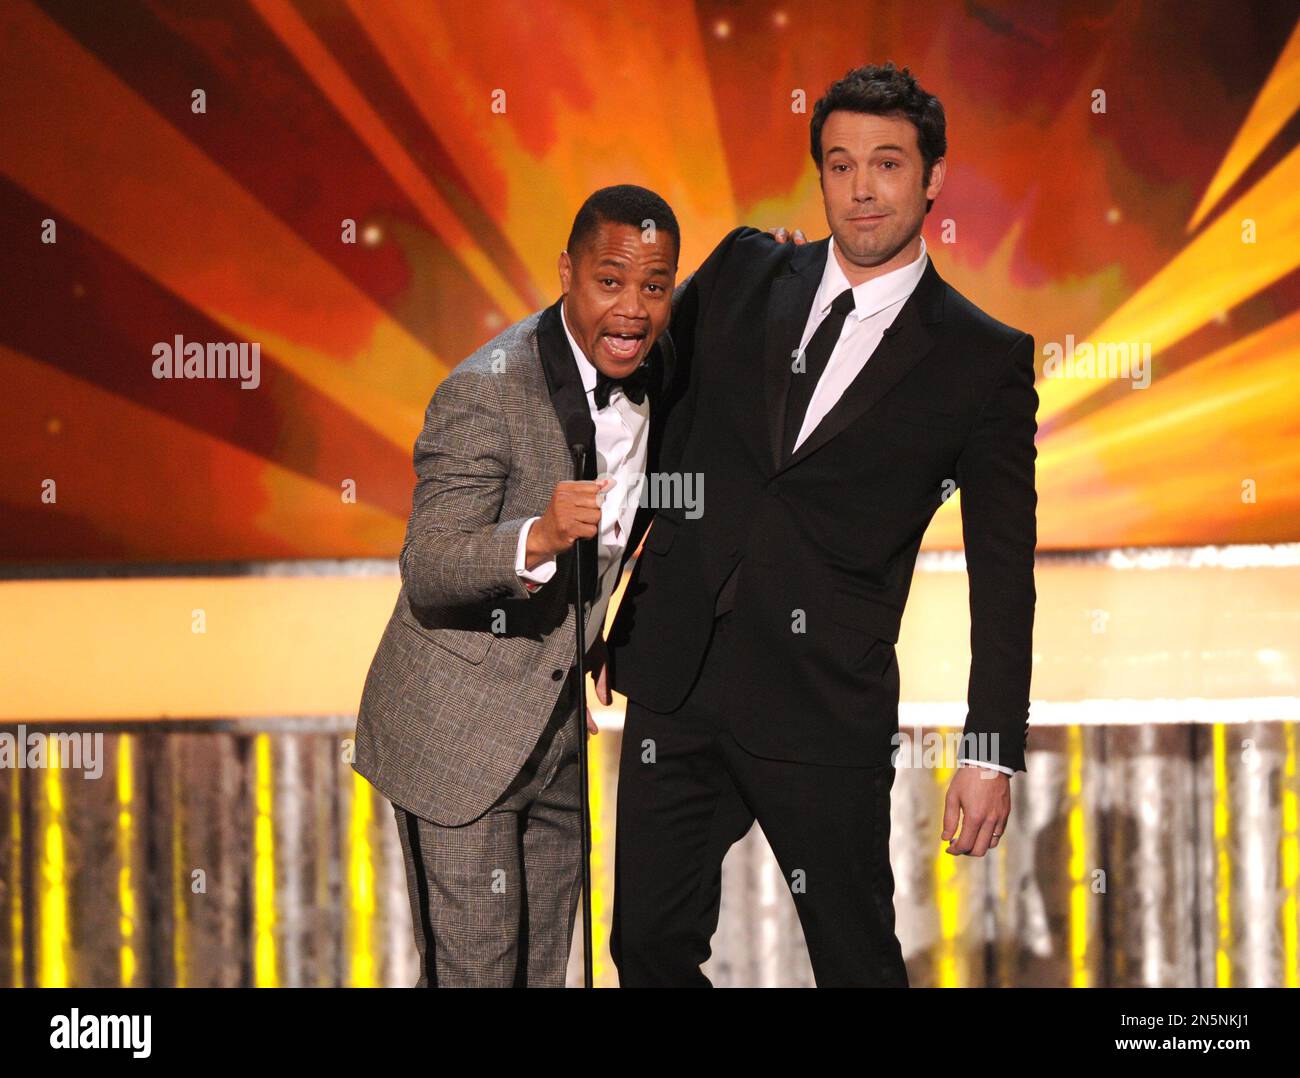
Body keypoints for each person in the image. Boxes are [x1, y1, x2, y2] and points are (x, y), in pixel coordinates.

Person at [603, 63, 1039, 987]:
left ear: (933, 179)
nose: (862, 188)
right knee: (643, 949)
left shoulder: (981, 360)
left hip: (820, 700)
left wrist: (990, 750)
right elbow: (650, 426)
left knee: (856, 965)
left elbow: (1006, 574)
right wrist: (606, 609)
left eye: (887, 164)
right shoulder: (744, 269)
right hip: (677, 676)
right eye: (840, 164)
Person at [353, 185, 681, 986]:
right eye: (610, 281)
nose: (632, 309)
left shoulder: (662, 372)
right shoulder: (486, 390)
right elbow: (429, 563)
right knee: (477, 975)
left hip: (557, 734)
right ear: (567, 272)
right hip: (457, 737)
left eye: (655, 286)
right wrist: (534, 535)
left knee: (541, 974)